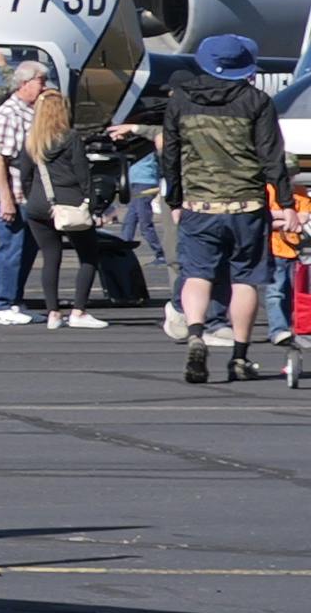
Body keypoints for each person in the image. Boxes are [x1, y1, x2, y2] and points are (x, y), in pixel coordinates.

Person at [118, 32, 286, 382]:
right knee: (244, 279)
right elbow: (272, 158)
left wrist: (175, 199)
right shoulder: (256, 101)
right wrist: (285, 203)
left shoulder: (181, 102)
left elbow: (172, 155)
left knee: (197, 274)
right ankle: (240, 355)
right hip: (246, 206)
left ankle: (195, 333)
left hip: (198, 204)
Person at [0, 50, 60, 322]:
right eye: (41, 80)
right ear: (24, 83)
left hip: (27, 193)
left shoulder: (31, 111)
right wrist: (5, 199)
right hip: (10, 192)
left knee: (27, 247)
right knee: (10, 247)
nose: (44, 86)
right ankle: (0, 304)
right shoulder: (7, 115)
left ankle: (15, 300)